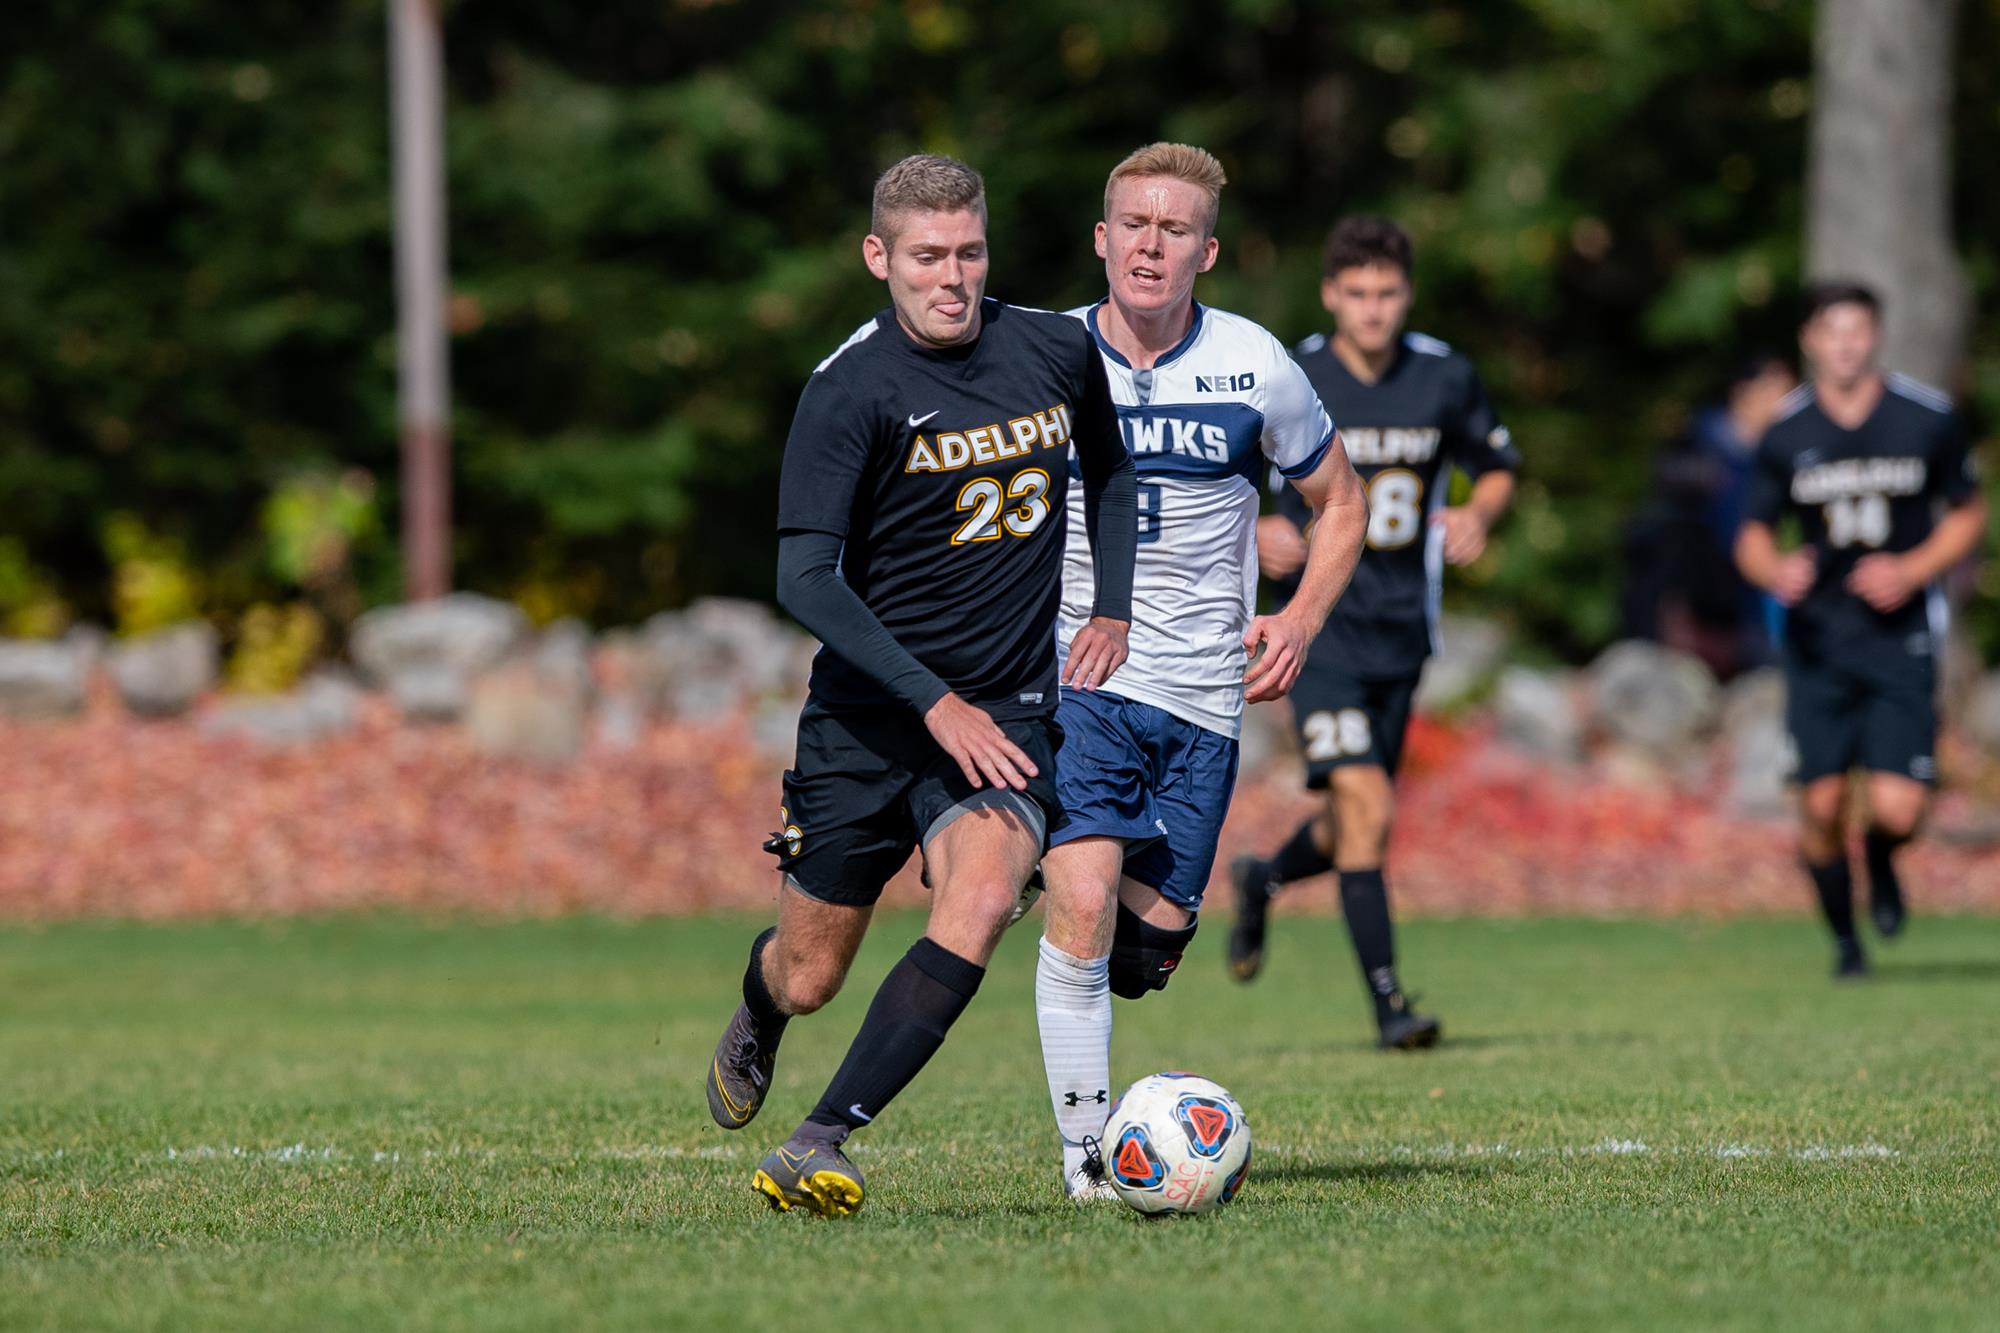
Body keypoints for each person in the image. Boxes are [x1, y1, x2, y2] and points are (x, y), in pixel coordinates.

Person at [703, 153, 1138, 1217]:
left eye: (970, 251)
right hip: (866, 721)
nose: (953, 276)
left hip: (1003, 714)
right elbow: (803, 577)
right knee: (810, 974)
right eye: (928, 256)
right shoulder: (847, 388)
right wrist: (930, 700)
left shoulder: (1052, 346)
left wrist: (1112, 605)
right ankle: (761, 1009)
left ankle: (819, 1140)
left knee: (985, 894)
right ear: (878, 258)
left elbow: (1113, 469)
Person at [1032, 144, 1367, 1201]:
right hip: (1079, 675)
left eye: (1173, 229)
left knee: (1139, 956)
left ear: (1205, 251)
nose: (1148, 243)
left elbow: (1342, 503)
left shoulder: (1255, 364)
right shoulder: (1042, 358)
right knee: (1080, 907)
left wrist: (1301, 619)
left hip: (1201, 701)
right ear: (1100, 237)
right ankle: (1086, 1167)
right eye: (1131, 223)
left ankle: (1033, 886)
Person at [1225, 216, 1519, 1049]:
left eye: (1387, 293)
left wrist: (1477, 513)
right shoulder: (1292, 373)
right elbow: (1222, 475)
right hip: (1316, 629)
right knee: (1367, 800)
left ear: (1407, 295)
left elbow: (1497, 464)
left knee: (1360, 816)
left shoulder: (1442, 375)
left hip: (1402, 628)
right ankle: (1390, 1005)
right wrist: (1257, 534)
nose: (1372, 310)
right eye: (1356, 294)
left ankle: (1263, 876)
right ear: (1330, 295)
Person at [1735, 281, 1986, 979]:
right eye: (1831, 331)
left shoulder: (1925, 418)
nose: (1845, 345)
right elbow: (1751, 537)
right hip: (1819, 639)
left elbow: (1967, 513)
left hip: (1899, 634)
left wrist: (1912, 569)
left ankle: (1880, 856)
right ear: (1809, 341)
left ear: (1875, 336)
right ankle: (1846, 940)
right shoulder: (1787, 431)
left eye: (1858, 331)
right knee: (1820, 805)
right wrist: (1773, 570)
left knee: (1900, 809)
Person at [1622, 353, 1797, 678]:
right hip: (1705, 598)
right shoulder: (1696, 450)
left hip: (1754, 600)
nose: (1785, 404)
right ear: (1743, 393)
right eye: (1777, 392)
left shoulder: (1781, 456)